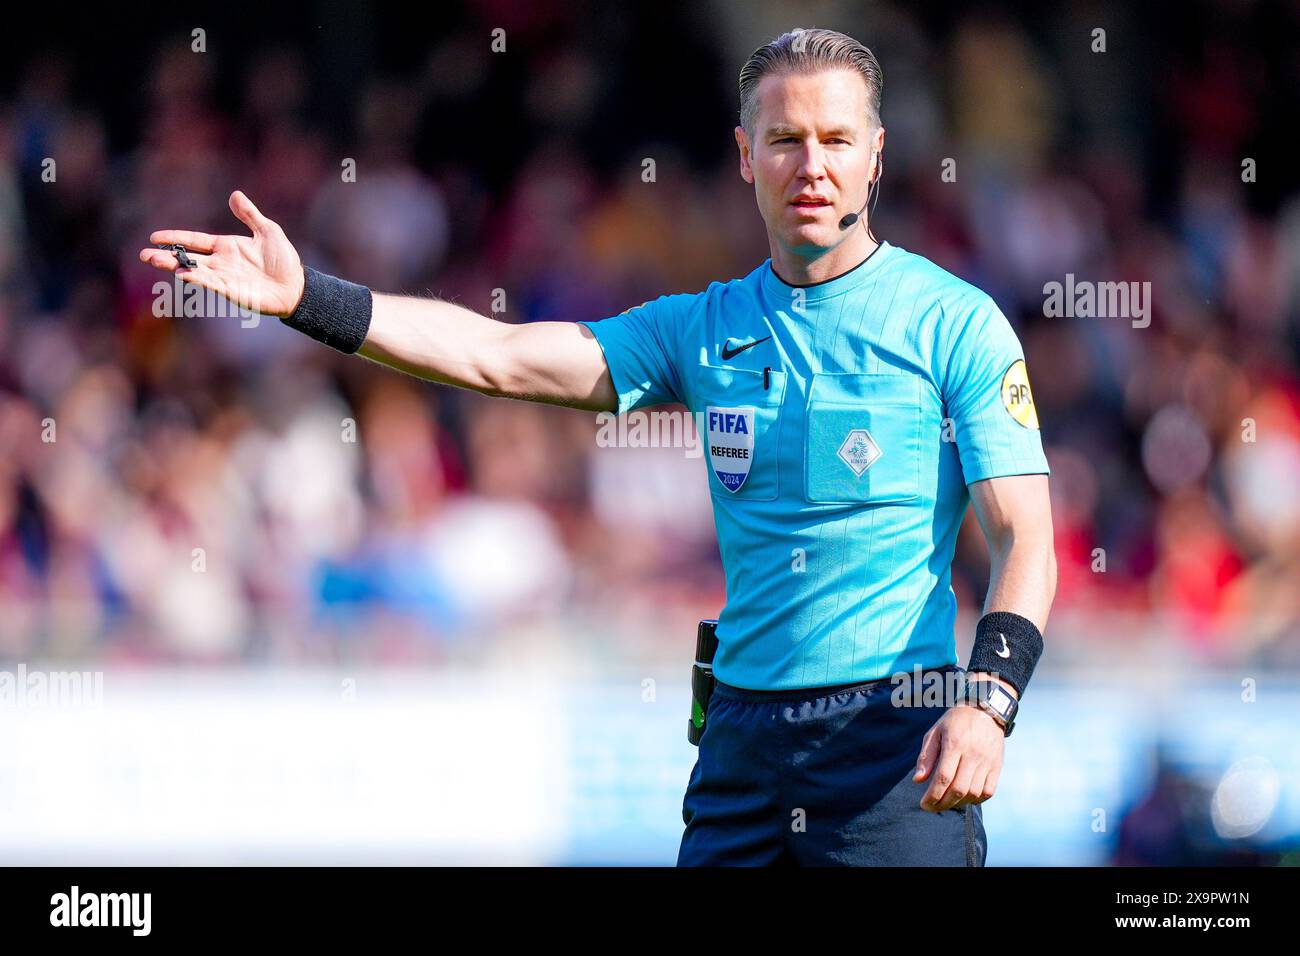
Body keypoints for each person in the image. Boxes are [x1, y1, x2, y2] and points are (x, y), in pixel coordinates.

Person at [140, 27, 1056, 866]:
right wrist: (312, 300)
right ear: (746, 156)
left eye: (836, 140)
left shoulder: (954, 324)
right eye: (784, 139)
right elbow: (498, 356)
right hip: (740, 748)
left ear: (876, 155)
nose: (809, 165)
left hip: (893, 744)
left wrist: (989, 702)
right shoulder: (701, 329)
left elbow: (1027, 539)